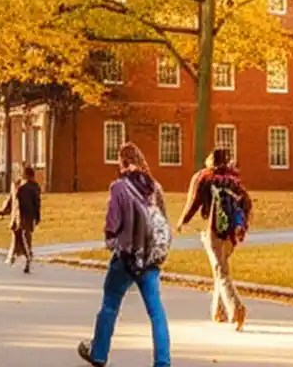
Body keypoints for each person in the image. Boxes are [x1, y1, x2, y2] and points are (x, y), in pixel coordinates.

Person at [78, 143, 170, 367]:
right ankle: (162, 361)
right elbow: (164, 220)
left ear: (123, 162)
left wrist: (111, 242)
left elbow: (113, 223)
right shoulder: (155, 187)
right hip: (150, 258)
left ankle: (99, 353)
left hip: (127, 257)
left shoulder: (119, 187)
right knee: (156, 311)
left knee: (110, 303)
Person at [178, 148, 251, 330]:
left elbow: (194, 202)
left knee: (221, 271)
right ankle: (219, 312)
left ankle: (236, 309)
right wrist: (242, 227)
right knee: (220, 267)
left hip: (214, 230)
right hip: (232, 233)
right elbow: (247, 204)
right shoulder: (234, 180)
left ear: (211, 160)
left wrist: (183, 221)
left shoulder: (204, 177)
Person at [0, 166, 42, 274]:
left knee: (24, 238)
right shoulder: (22, 186)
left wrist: (37, 216)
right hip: (22, 216)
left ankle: (26, 257)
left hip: (24, 216)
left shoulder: (28, 187)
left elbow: (34, 203)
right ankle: (19, 256)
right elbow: (12, 200)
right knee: (20, 237)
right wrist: (3, 210)